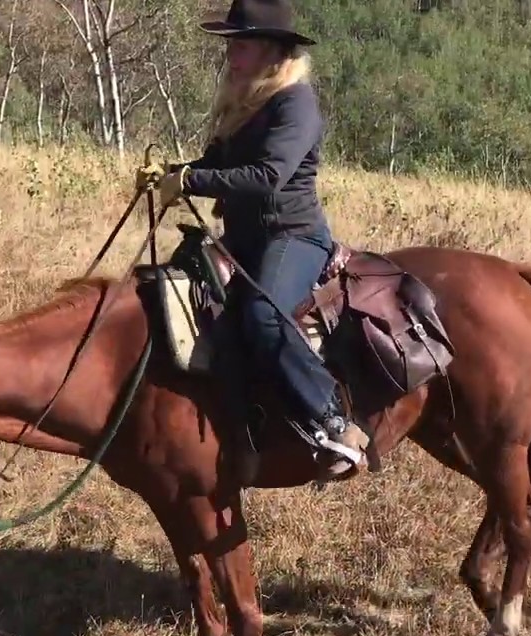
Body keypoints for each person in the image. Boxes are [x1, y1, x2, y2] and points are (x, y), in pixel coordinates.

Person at [135, 0, 369, 480]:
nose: (231, 55)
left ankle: (335, 421)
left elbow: (267, 176)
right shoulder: (244, 103)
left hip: (293, 237)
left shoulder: (295, 103)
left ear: (272, 52)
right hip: (242, 237)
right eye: (231, 45)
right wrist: (174, 173)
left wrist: (192, 183)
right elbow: (216, 167)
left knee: (264, 315)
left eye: (241, 45)